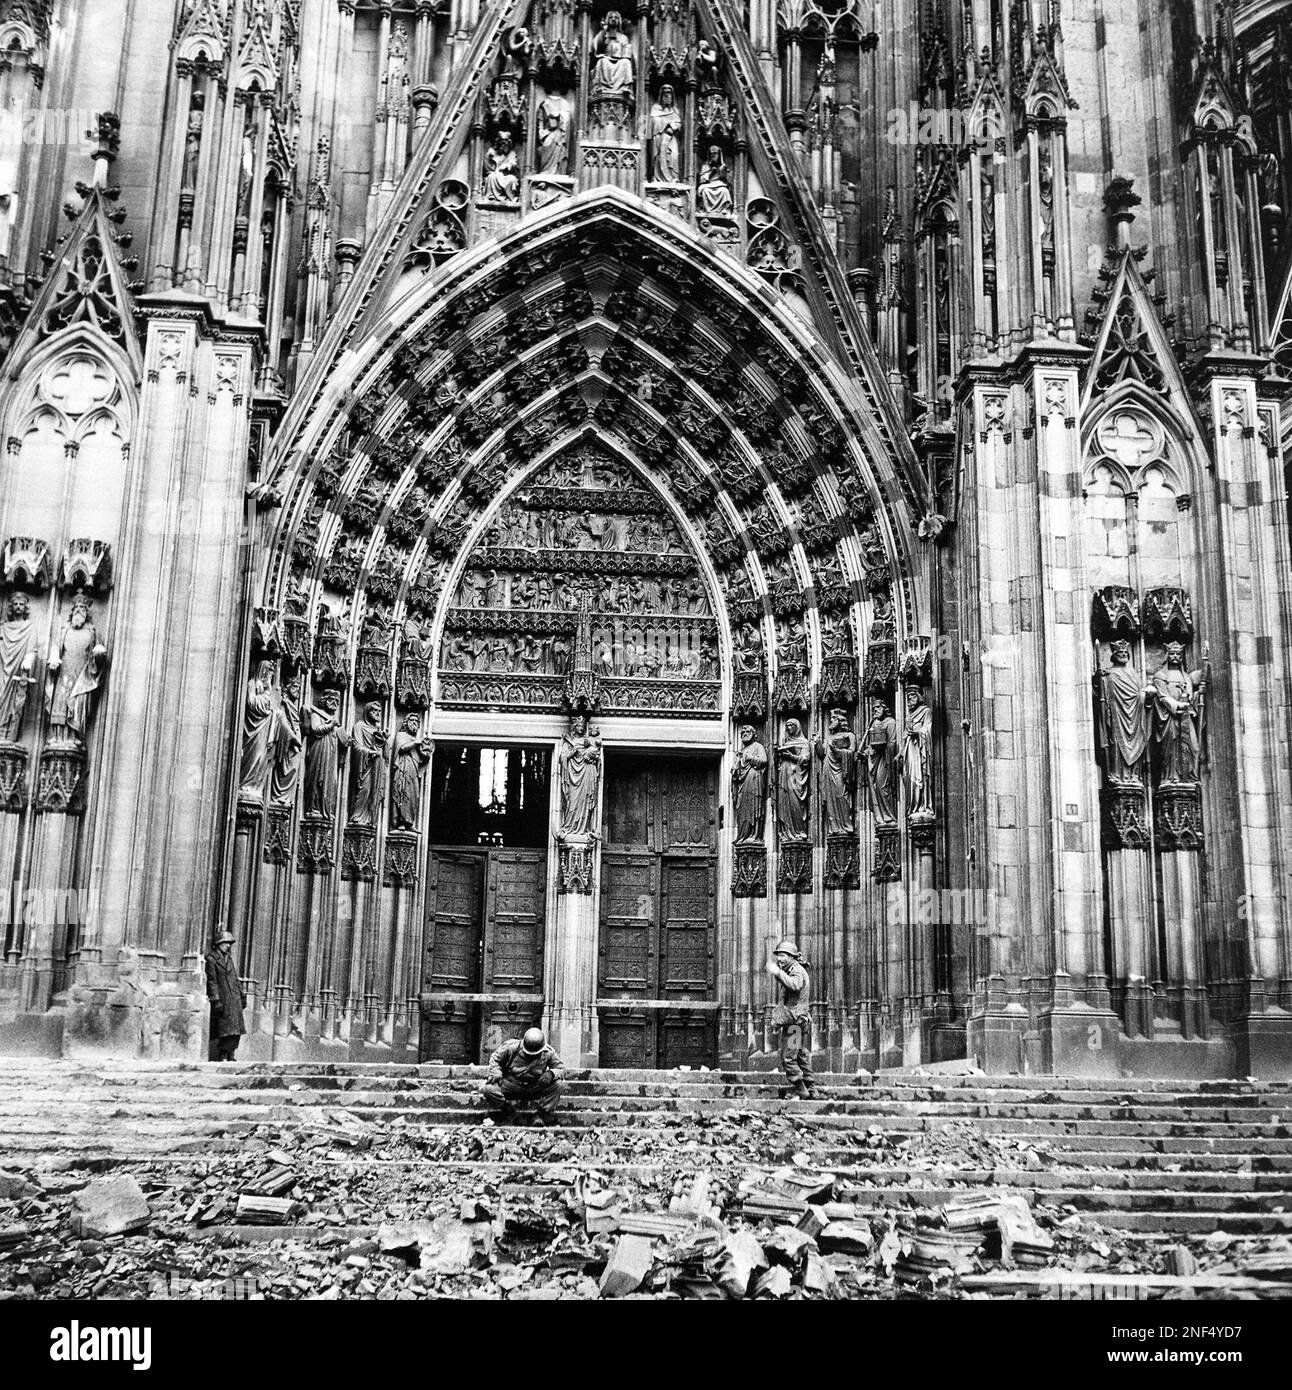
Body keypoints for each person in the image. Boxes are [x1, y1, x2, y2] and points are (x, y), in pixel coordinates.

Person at [482, 1027, 563, 1126]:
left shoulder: (549, 1052)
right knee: (488, 1089)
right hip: (512, 1084)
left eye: (535, 1054)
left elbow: (561, 1069)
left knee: (558, 1084)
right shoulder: (511, 1047)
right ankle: (510, 1112)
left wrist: (551, 1073)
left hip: (535, 1085)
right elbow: (495, 1059)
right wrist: (496, 1073)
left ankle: (540, 1115)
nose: (532, 1056)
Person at [767, 938, 815, 1099]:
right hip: (797, 1022)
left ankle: (801, 1089)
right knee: (800, 1055)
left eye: (783, 956)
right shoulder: (795, 969)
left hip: (795, 1024)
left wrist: (777, 972)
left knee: (788, 1057)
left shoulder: (797, 971)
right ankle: (811, 1089)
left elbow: (794, 985)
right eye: (778, 956)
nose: (779, 959)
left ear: (793, 957)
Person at [205, 929, 246, 1062]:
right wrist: (216, 999)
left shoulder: (229, 959)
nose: (228, 946)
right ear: (218, 944)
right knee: (225, 1028)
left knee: (236, 1027)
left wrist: (242, 995)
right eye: (226, 943)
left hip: (234, 996)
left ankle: (231, 1054)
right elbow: (212, 981)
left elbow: (235, 978)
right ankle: (222, 1054)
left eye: (229, 943)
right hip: (224, 997)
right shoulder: (212, 959)